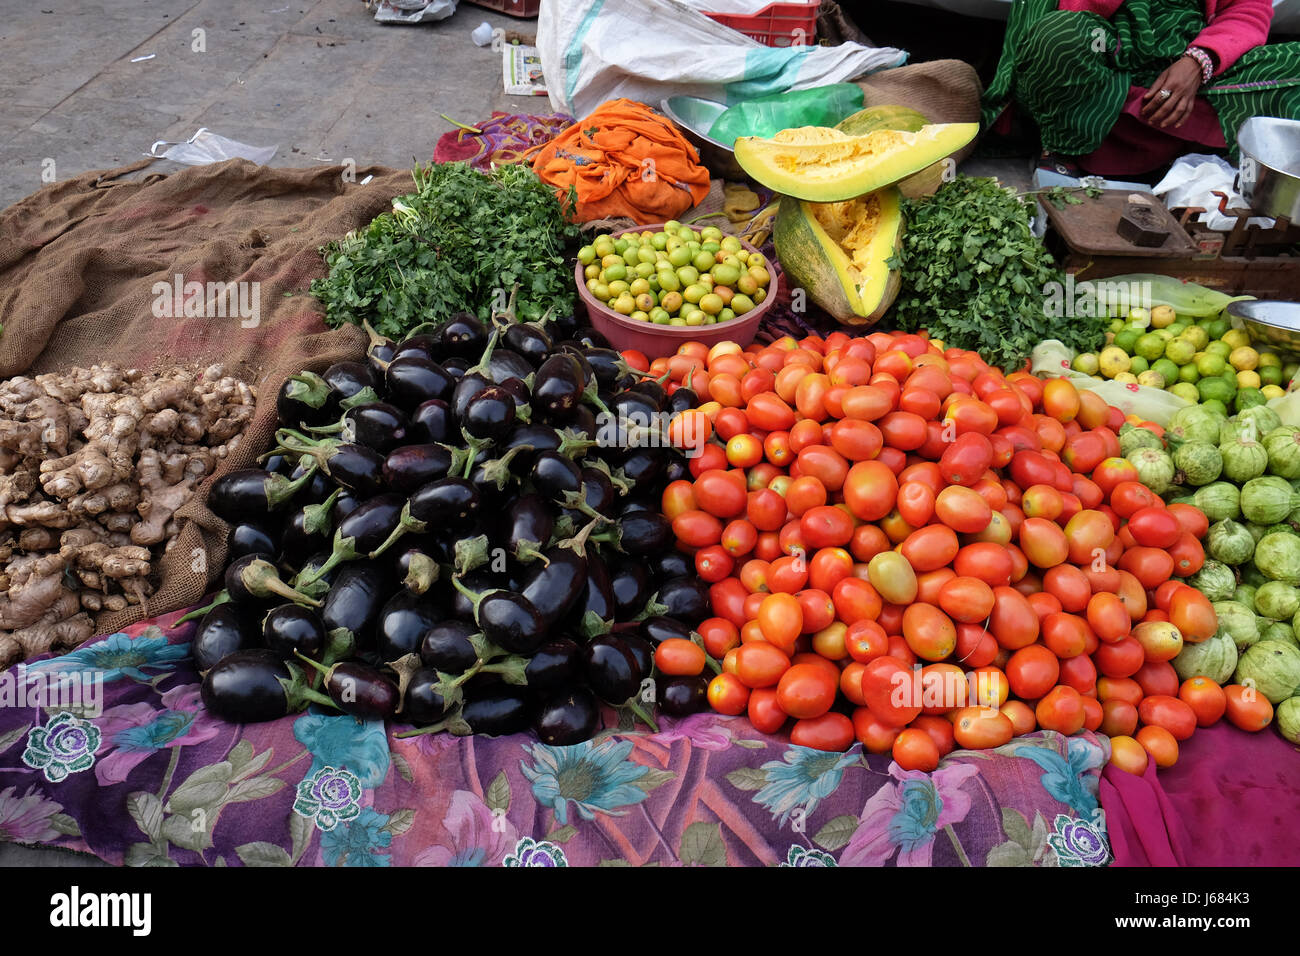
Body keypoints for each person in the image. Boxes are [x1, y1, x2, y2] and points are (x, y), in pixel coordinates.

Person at [982, 0, 1300, 175]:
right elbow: (1072, 10)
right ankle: (1064, 150)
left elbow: (1248, 13)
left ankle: (1200, 165)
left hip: (1192, 69)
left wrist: (1198, 62)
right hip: (1110, 55)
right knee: (1059, 39)